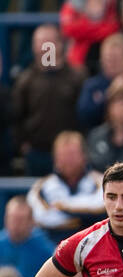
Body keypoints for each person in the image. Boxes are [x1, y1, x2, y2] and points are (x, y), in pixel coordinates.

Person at [11, 24, 85, 177]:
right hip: (37, 153)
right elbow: (16, 115)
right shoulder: (26, 80)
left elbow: (84, 114)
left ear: (59, 44)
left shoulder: (77, 77)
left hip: (71, 153)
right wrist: (23, 144)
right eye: (40, 42)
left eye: (48, 42)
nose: (44, 47)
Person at [27, 131, 105, 233]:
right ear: (55, 158)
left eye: (72, 154)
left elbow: (100, 206)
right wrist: (81, 219)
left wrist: (61, 206)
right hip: (54, 243)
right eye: (62, 155)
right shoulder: (42, 186)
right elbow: (40, 216)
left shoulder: (102, 181)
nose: (67, 160)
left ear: (84, 156)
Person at [0, 198, 57, 277]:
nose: (15, 224)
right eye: (12, 218)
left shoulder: (45, 250)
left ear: (32, 222)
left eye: (20, 220)